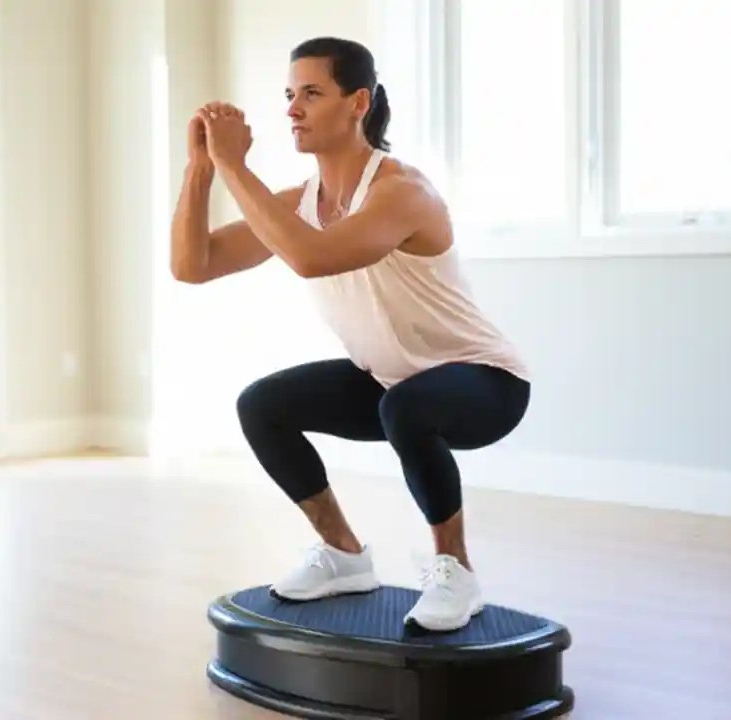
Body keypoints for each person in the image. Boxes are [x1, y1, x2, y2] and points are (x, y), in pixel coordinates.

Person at [169, 37, 530, 632]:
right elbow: (193, 265)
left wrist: (236, 165)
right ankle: (342, 553)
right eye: (289, 94)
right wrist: (202, 168)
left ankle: (455, 569)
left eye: (311, 93)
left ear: (358, 102)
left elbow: (313, 257)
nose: (292, 109)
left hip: (487, 384)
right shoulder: (299, 204)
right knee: (264, 405)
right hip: (391, 382)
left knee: (406, 407)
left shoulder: (402, 192)